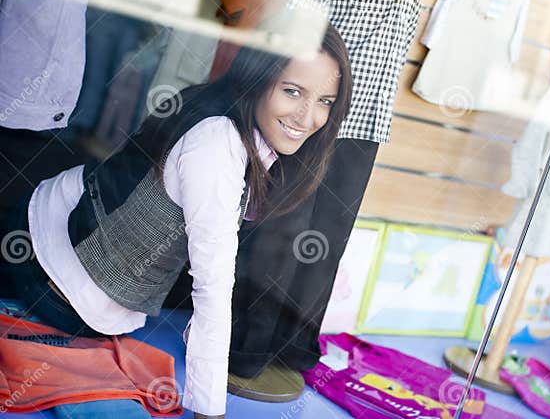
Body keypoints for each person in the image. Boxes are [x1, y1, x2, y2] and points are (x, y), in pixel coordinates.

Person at [0, 24, 352, 419]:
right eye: (292, 91)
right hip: (47, 263)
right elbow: (213, 288)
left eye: (325, 100)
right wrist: (209, 412)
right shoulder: (217, 146)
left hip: (74, 255)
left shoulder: (247, 134)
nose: (308, 116)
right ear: (258, 79)